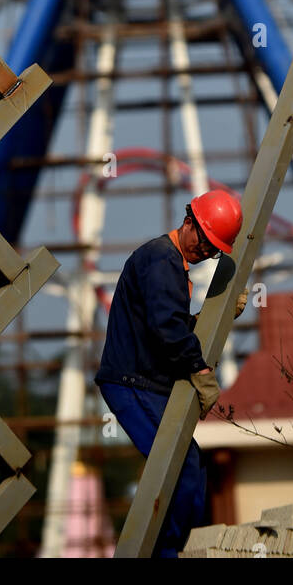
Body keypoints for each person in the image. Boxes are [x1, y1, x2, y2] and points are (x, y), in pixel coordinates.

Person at [95, 189, 245, 558]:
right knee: (179, 468)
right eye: (207, 243)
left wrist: (216, 318)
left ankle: (168, 549)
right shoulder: (162, 261)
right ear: (189, 221)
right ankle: (163, 552)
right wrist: (201, 369)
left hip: (145, 383)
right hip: (133, 384)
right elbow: (168, 330)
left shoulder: (168, 262)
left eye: (215, 250)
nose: (208, 253)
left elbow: (168, 325)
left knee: (187, 467)